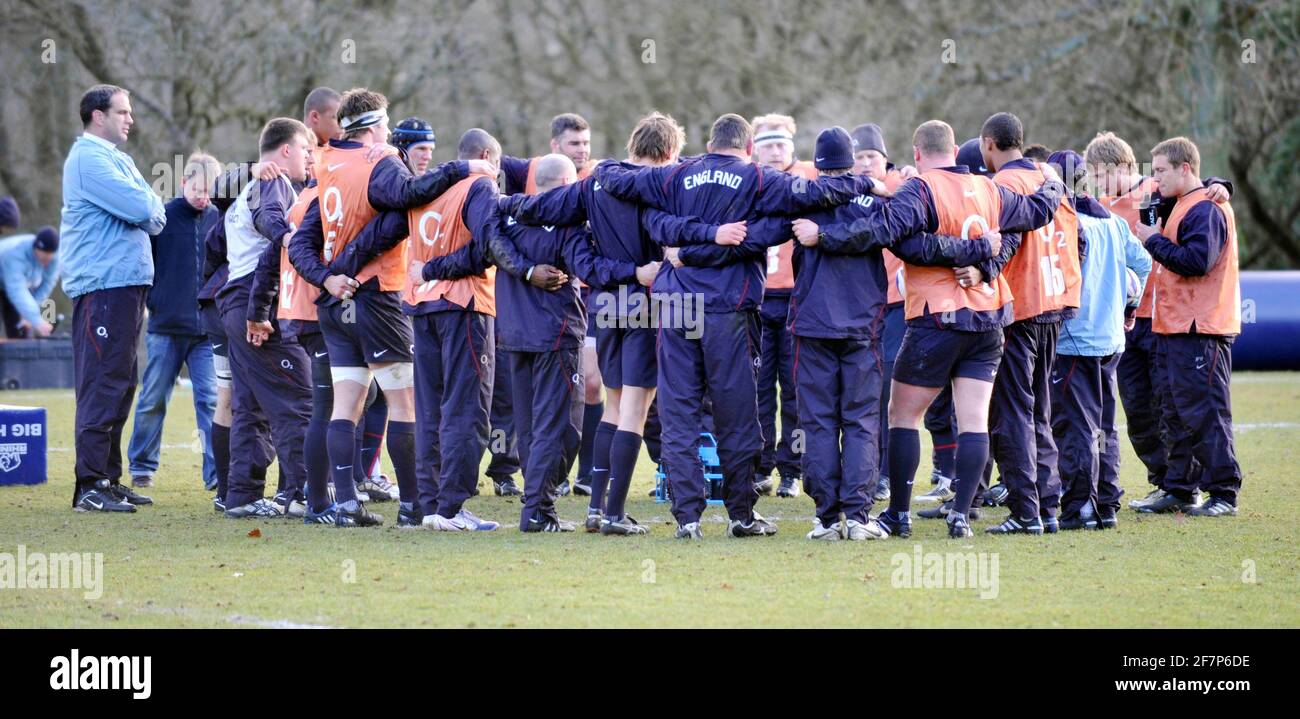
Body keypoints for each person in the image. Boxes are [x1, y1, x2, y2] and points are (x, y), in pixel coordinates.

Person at [593, 113, 877, 540]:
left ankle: (687, 517)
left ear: (708, 145)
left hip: (676, 304)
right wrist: (865, 182)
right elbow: (811, 200)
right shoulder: (760, 178)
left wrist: (691, 249)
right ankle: (741, 514)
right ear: (748, 148)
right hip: (728, 307)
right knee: (737, 412)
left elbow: (617, 182)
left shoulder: (674, 174)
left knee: (679, 411)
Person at [792, 119, 1065, 540]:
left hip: (938, 316)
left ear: (916, 154)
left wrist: (824, 235)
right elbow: (1036, 214)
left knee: (902, 414)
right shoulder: (990, 188)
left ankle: (898, 514)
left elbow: (888, 235)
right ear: (956, 149)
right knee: (973, 419)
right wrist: (1051, 181)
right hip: (989, 317)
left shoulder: (920, 189)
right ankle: (960, 515)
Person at [288, 89, 484, 527]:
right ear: (377, 127)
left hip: (336, 302)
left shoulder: (327, 163)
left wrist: (328, 276)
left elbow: (304, 240)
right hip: (377, 295)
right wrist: (461, 168)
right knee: (403, 402)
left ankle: (344, 503)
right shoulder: (379, 159)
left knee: (347, 402)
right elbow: (407, 200)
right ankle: (413, 505)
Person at [1084, 131, 1231, 512]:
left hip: (1169, 319)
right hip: (1129, 322)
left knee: (1181, 405)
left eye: (1100, 175)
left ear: (1120, 168)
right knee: (1141, 410)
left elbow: (1198, 187)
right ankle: (1167, 483)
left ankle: (1193, 485)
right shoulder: (1101, 206)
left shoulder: (1157, 193)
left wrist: (1220, 186)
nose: (1097, 184)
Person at [61, 84, 168, 513]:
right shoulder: (88, 159)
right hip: (102, 288)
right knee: (102, 383)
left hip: (126, 289)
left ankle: (108, 477)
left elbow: (154, 211)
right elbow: (146, 211)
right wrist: (147, 207)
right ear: (97, 116)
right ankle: (89, 485)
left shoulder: (118, 159)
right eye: (122, 112)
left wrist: (148, 206)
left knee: (122, 384)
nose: (130, 119)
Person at [978, 112, 1083, 536]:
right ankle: (1049, 506)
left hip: (1019, 307)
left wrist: (981, 270)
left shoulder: (1004, 185)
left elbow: (1006, 242)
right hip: (1055, 304)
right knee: (1039, 408)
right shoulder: (1049, 177)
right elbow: (1082, 241)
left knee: (1013, 412)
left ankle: (1026, 510)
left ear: (989, 143)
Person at [1134, 136, 1243, 517]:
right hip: (1175, 326)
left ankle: (1224, 493)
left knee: (1205, 412)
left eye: (1161, 170)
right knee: (1173, 411)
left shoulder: (1206, 210)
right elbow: (1150, 201)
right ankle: (1181, 489)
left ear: (1184, 168)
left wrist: (1152, 242)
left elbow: (1197, 261)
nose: (1155, 178)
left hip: (1201, 328)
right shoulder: (1181, 202)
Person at [1046, 149, 1151, 529]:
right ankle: (1106, 502)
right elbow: (1142, 263)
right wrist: (1129, 306)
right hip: (1110, 339)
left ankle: (1079, 506)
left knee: (1074, 425)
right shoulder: (1113, 221)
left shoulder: (1065, 220)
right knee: (1104, 426)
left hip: (1074, 339)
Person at [217, 118, 316, 519]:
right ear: (286, 150)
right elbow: (270, 223)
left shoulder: (245, 185)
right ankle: (302, 492)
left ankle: (242, 494)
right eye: (306, 149)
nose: (311, 158)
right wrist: (291, 236)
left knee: (251, 405)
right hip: (256, 302)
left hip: (234, 301)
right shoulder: (273, 182)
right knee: (299, 397)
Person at [501, 113, 601, 495]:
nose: (583, 151)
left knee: (530, 416)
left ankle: (541, 486)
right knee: (559, 416)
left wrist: (426, 270)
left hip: (514, 329)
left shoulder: (504, 215)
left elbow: (486, 248)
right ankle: (543, 495)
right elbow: (589, 266)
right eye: (575, 144)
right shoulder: (568, 226)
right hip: (557, 328)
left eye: (586, 144)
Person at [125, 152, 221, 491]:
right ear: (184, 183)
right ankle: (141, 466)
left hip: (207, 332)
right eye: (197, 188)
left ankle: (215, 474)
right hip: (165, 328)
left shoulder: (218, 219)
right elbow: (142, 264)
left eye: (210, 190)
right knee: (153, 397)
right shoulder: (161, 219)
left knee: (211, 400)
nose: (203, 196)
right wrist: (154, 301)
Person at [750, 113, 816, 498]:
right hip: (757, 299)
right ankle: (761, 465)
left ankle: (793, 467)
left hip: (797, 298)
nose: (775, 151)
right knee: (757, 386)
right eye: (768, 144)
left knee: (795, 389)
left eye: (781, 144)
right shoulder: (746, 179)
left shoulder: (808, 177)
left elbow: (860, 173)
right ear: (753, 149)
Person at [0, 226, 61, 338]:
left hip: (18, 286)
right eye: (44, 258)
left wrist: (30, 315)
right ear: (36, 249)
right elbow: (16, 290)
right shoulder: (15, 256)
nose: (47, 262)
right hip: (9, 281)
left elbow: (47, 283)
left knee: (22, 329)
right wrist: (36, 319)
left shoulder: (54, 257)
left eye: (50, 258)